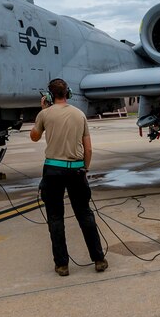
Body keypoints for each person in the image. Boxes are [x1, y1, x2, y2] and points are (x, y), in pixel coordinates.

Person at [30, 78, 107, 277]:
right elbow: (88, 148)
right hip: (76, 169)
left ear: (49, 95)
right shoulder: (79, 114)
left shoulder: (44, 114)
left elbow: (34, 137)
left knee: (55, 218)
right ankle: (98, 259)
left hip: (53, 170)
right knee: (85, 214)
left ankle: (62, 265)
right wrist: (85, 168)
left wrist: (42, 111)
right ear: (68, 93)